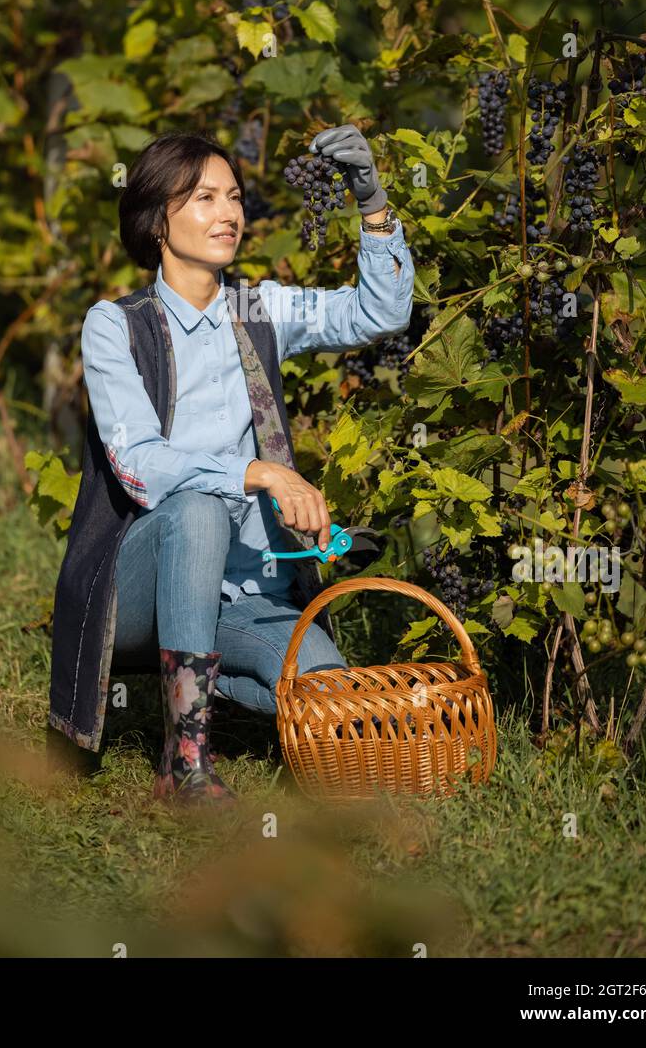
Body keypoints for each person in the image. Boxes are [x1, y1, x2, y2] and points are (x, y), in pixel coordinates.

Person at [50, 124, 415, 805]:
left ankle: (208, 690)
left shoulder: (259, 307)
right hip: (140, 589)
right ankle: (183, 764)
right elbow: (137, 464)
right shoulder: (116, 324)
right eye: (204, 199)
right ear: (158, 218)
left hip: (244, 595)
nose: (228, 214)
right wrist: (258, 473)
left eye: (234, 197)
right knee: (196, 507)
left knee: (329, 697)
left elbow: (379, 313)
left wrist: (371, 200)